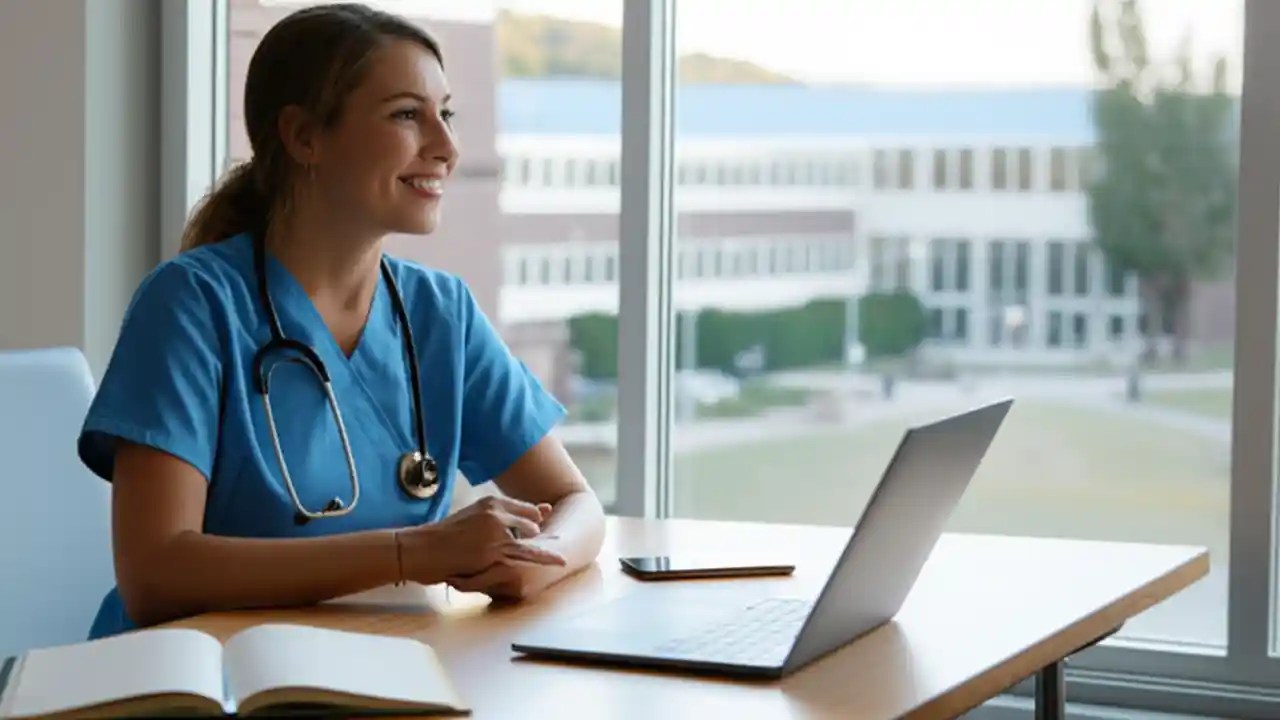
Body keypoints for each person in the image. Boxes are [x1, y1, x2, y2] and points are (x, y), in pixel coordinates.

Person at [77, 2, 605, 639]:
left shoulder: (441, 314)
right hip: (190, 680)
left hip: (380, 669)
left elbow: (576, 503)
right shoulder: (191, 304)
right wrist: (417, 552)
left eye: (447, 114)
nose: (446, 146)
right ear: (304, 136)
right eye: (407, 115)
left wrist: (538, 561)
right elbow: (155, 573)